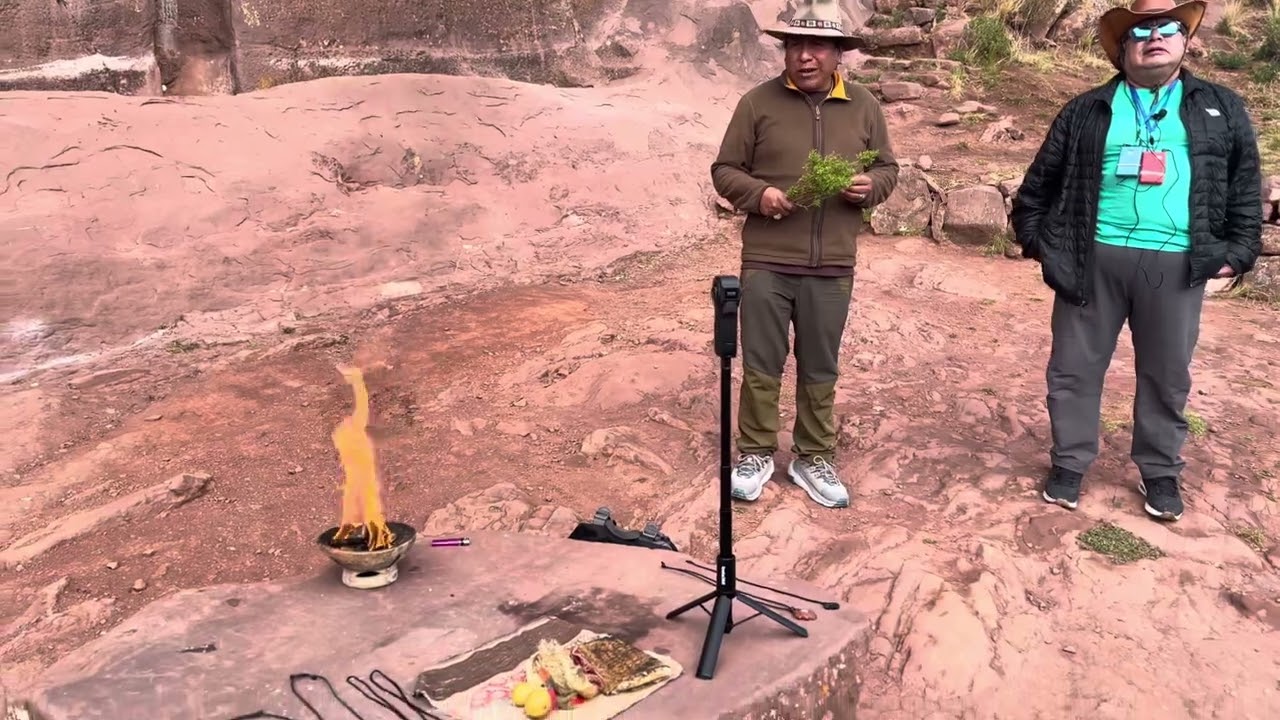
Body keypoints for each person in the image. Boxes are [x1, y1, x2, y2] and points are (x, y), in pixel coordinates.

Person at [1011, 0, 1263, 522]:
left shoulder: (1222, 106)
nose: (1156, 37)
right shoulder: (1086, 109)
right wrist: (1041, 244)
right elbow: (1038, 186)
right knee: (1074, 371)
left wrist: (1237, 252)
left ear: (1185, 41)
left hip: (1176, 263)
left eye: (1169, 28)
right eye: (1142, 30)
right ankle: (1070, 463)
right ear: (1122, 48)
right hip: (1090, 259)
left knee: (1166, 375)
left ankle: (1161, 471)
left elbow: (1243, 188)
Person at [710, 0, 899, 509]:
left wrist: (870, 186)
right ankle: (755, 452)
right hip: (768, 260)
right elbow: (725, 170)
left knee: (820, 364)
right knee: (762, 361)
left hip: (833, 263)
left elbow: (888, 168)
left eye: (817, 46)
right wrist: (760, 195)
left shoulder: (863, 106)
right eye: (795, 45)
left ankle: (813, 456)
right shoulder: (757, 103)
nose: (805, 56)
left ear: (839, 53)